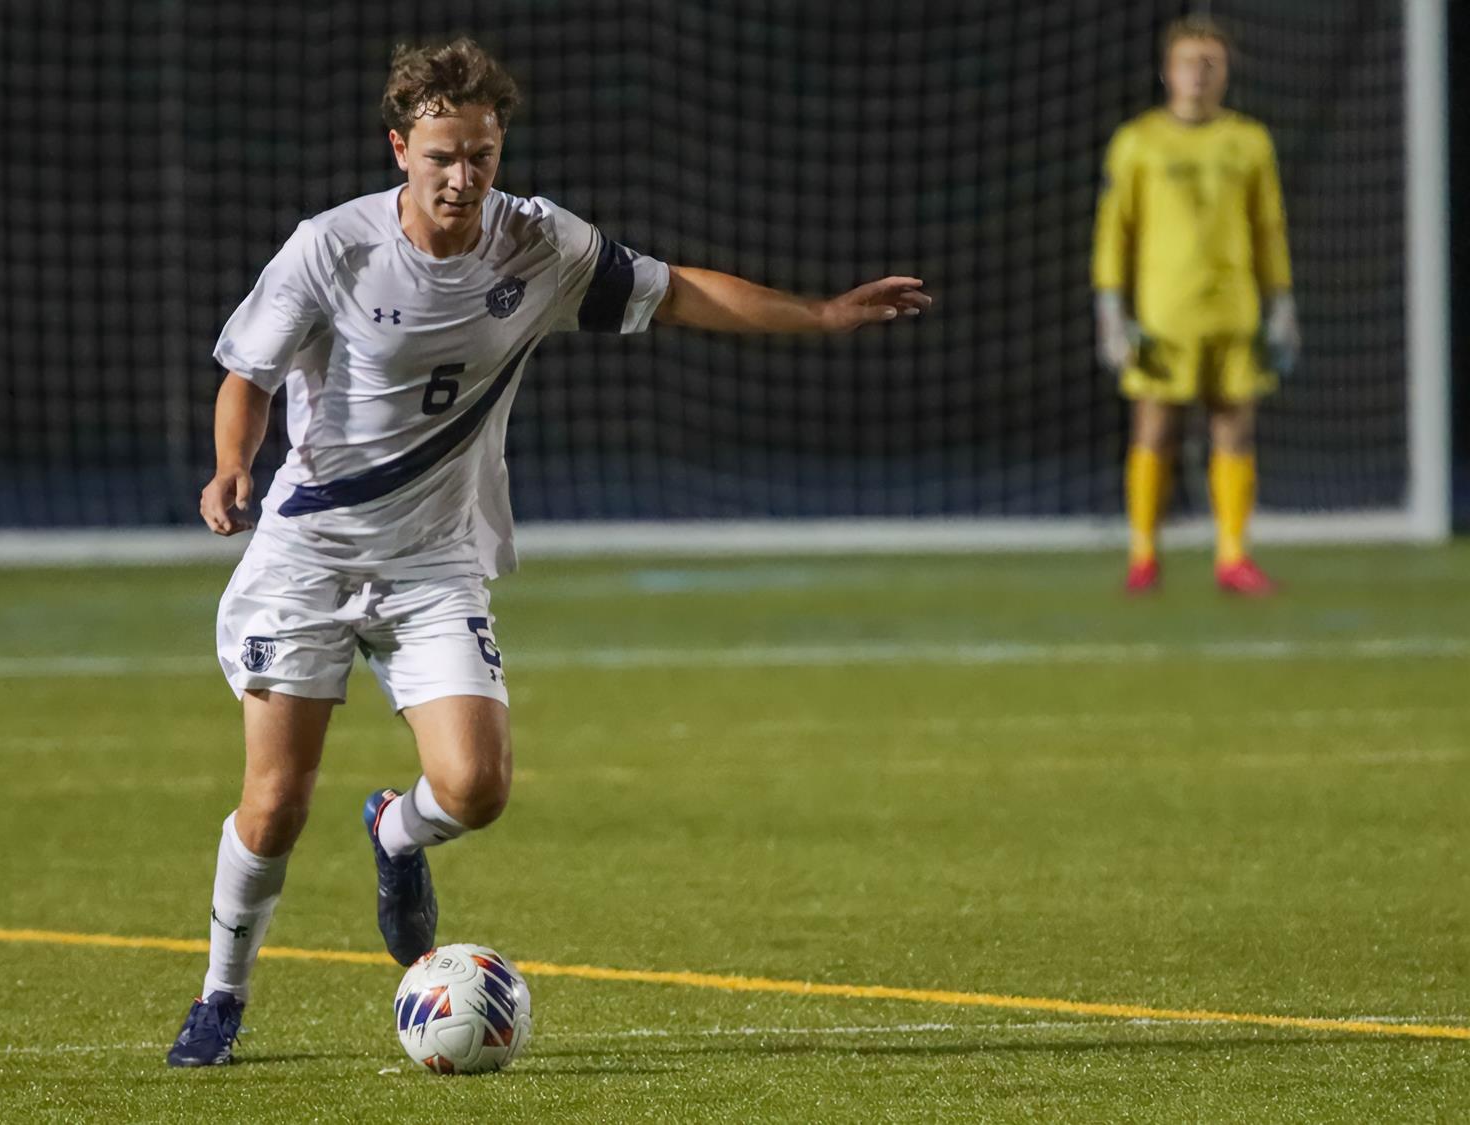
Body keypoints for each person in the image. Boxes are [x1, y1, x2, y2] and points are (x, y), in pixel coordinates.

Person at [167, 38, 929, 1067]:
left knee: (475, 790)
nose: (462, 175)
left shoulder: (534, 245)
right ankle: (221, 997)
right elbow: (246, 374)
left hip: (434, 560)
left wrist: (823, 315)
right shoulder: (331, 249)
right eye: (441, 154)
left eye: (480, 153)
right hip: (307, 557)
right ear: (400, 148)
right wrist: (228, 469)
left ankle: (397, 831)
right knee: (274, 804)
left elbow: (678, 293)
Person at [1094, 15, 1297, 596]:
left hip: (1233, 309)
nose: (1199, 75)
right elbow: (1116, 230)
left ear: (1226, 73)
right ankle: (1143, 555)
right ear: (1167, 71)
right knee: (1154, 428)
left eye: (1211, 64)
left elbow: (1268, 227)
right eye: (1189, 63)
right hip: (1163, 313)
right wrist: (1111, 306)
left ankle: (1233, 556)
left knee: (1234, 428)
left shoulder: (1250, 142)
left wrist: (1280, 302)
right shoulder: (1138, 142)